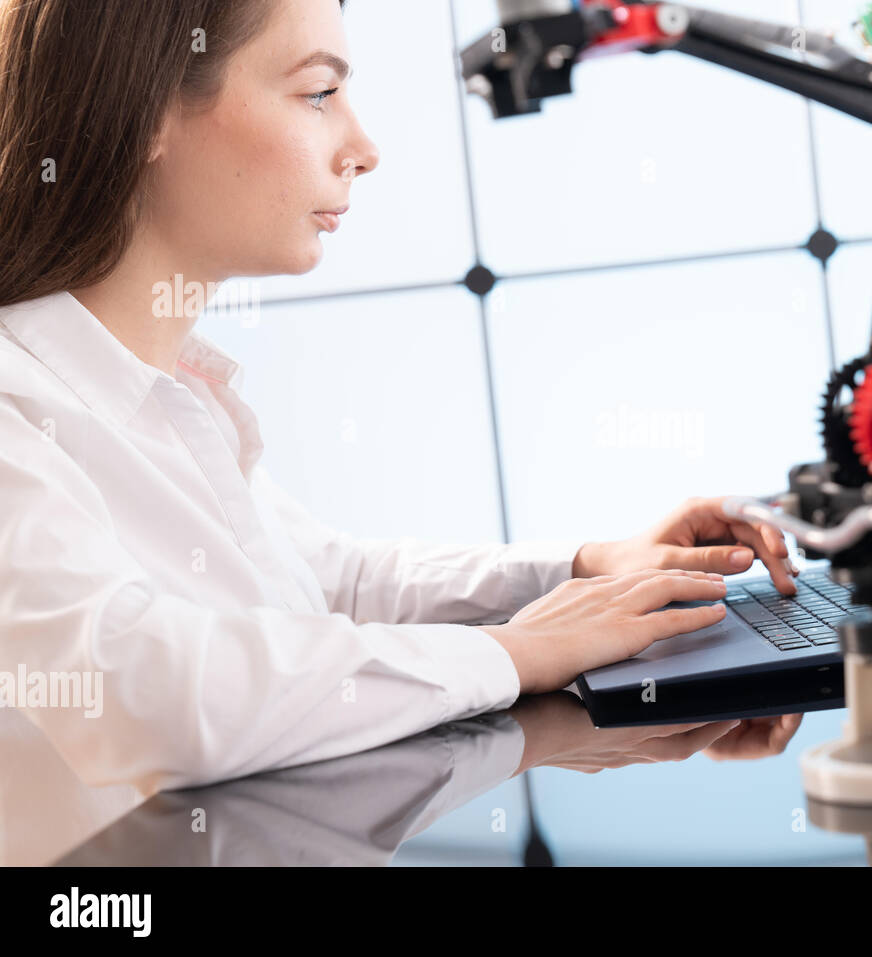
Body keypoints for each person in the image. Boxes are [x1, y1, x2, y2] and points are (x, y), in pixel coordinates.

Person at [0, 0, 800, 793]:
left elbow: (326, 584)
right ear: (147, 112)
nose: (365, 148)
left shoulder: (176, 398)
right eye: (319, 94)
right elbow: (136, 695)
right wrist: (516, 653)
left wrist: (586, 571)